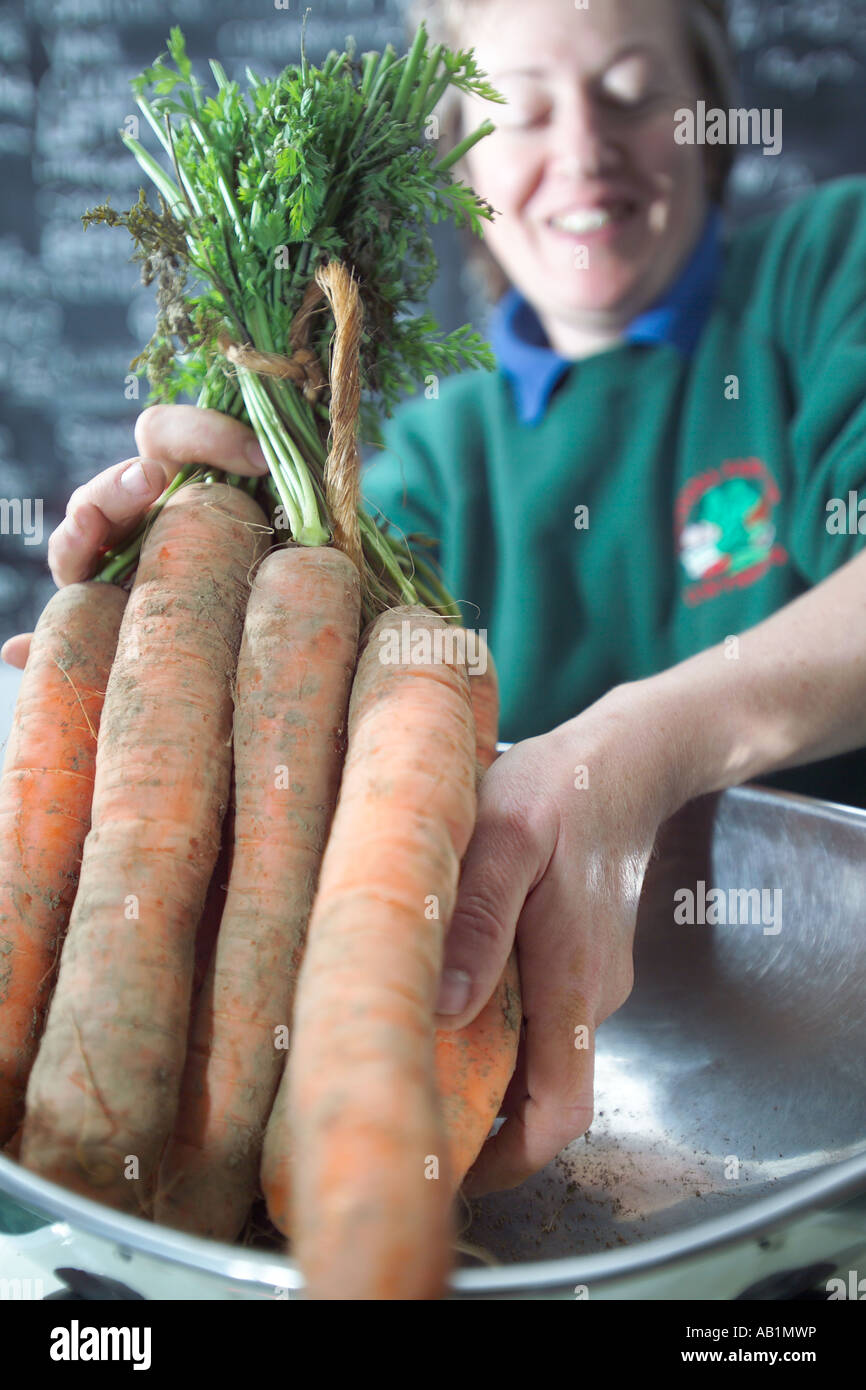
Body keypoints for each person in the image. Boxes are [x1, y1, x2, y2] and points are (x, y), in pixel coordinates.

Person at [4, 0, 866, 1201]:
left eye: (629, 87)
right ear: (459, 145)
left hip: (820, 1031)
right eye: (522, 108)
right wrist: (185, 565)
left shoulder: (830, 273)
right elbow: (281, 729)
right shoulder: (417, 464)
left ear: (710, 112)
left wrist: (636, 746)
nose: (582, 148)